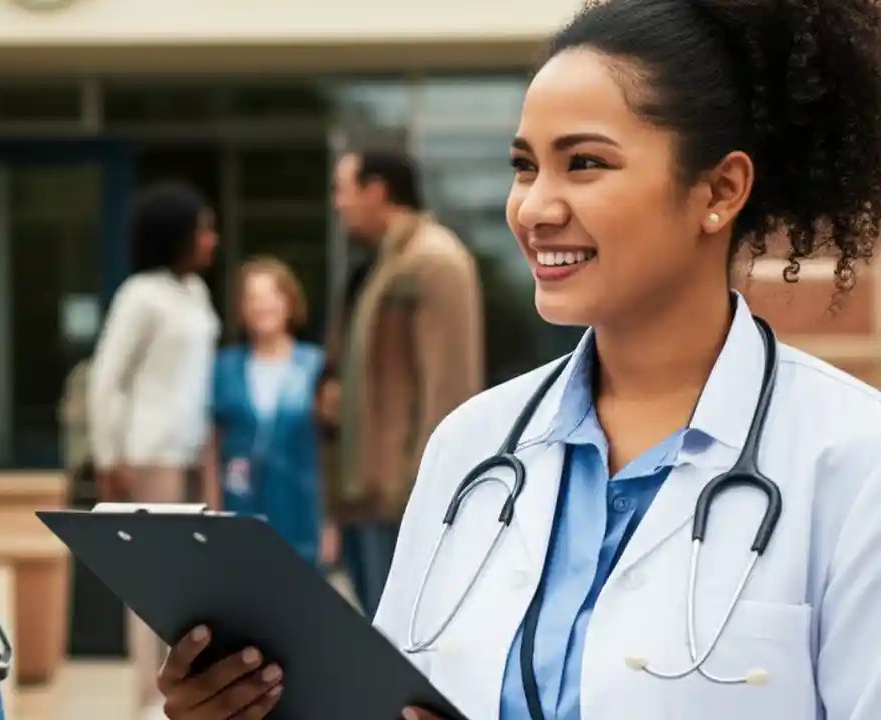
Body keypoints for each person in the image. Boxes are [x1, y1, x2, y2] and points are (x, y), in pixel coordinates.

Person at [152, 0, 881, 717]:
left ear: (719, 191)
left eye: (585, 163)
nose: (533, 208)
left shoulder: (852, 460)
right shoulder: (471, 448)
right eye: (525, 166)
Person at [320, 147, 485, 618]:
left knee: (405, 644)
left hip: (402, 498)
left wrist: (427, 488)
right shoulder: (382, 264)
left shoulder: (435, 261)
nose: (338, 204)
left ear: (377, 191)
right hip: (367, 493)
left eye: (343, 190)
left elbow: (450, 390)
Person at [86, 180, 221, 719]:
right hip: (149, 454)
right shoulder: (140, 295)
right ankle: (146, 701)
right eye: (205, 228)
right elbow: (106, 378)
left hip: (190, 454)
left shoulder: (195, 295)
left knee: (190, 585)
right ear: (178, 235)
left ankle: (179, 697)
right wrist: (108, 456)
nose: (213, 239)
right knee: (152, 583)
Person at [205, 256, 327, 568]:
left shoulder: (315, 366)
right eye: (253, 298)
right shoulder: (225, 367)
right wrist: (214, 512)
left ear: (289, 303)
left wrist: (332, 522)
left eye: (272, 296)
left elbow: (330, 449)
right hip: (240, 509)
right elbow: (212, 445)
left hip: (300, 508)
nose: (263, 306)